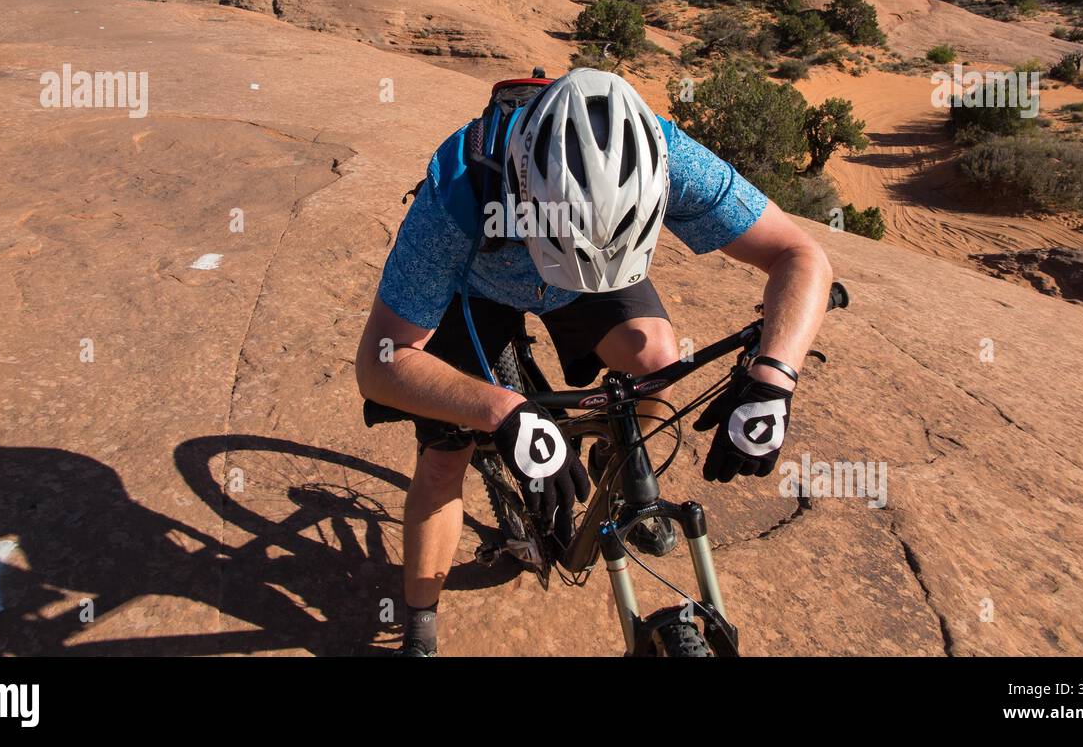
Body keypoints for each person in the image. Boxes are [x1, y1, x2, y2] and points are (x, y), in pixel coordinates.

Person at [356, 68, 832, 656]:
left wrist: (773, 376)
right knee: (443, 458)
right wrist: (502, 412)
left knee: (656, 362)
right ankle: (420, 628)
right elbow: (382, 360)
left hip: (598, 269)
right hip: (474, 288)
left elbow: (798, 253)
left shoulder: (666, 155)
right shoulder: (459, 187)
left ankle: (615, 454)